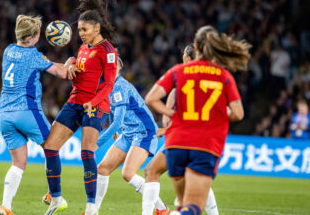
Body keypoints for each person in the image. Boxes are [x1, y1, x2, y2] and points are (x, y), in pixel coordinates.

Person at [145, 25, 250, 215]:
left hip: (176, 144)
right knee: (193, 208)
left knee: (184, 205)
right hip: (205, 145)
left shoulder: (179, 71)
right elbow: (238, 113)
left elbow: (151, 99)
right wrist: (215, 113)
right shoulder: (223, 76)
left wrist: (171, 113)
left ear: (195, 48)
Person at [42, 0, 117, 214]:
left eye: (84, 30)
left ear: (97, 28)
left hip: (96, 107)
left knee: (86, 153)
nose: (81, 33)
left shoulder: (108, 51)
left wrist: (92, 103)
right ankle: (56, 198)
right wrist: (71, 61)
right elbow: (80, 63)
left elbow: (109, 84)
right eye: (79, 30)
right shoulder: (84, 47)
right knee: (50, 146)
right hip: (75, 101)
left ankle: (91, 207)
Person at [0, 15, 76, 215]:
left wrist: (62, 64)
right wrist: (69, 65)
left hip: (5, 114)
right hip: (27, 111)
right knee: (52, 146)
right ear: (33, 37)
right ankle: (54, 195)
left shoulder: (8, 51)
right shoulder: (33, 55)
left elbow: (47, 63)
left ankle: (5, 206)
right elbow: (63, 74)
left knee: (18, 163)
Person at [143, 44, 219, 215]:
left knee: (151, 171)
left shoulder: (179, 79)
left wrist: (169, 118)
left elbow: (155, 104)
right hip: (203, 139)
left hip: (181, 138)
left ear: (187, 58)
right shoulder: (210, 82)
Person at [93, 57, 170, 215]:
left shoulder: (120, 87)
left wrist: (96, 143)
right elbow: (112, 110)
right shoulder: (108, 86)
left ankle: (161, 208)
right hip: (129, 132)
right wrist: (116, 130)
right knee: (102, 168)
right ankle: (92, 212)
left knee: (127, 174)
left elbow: (116, 121)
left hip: (144, 132)